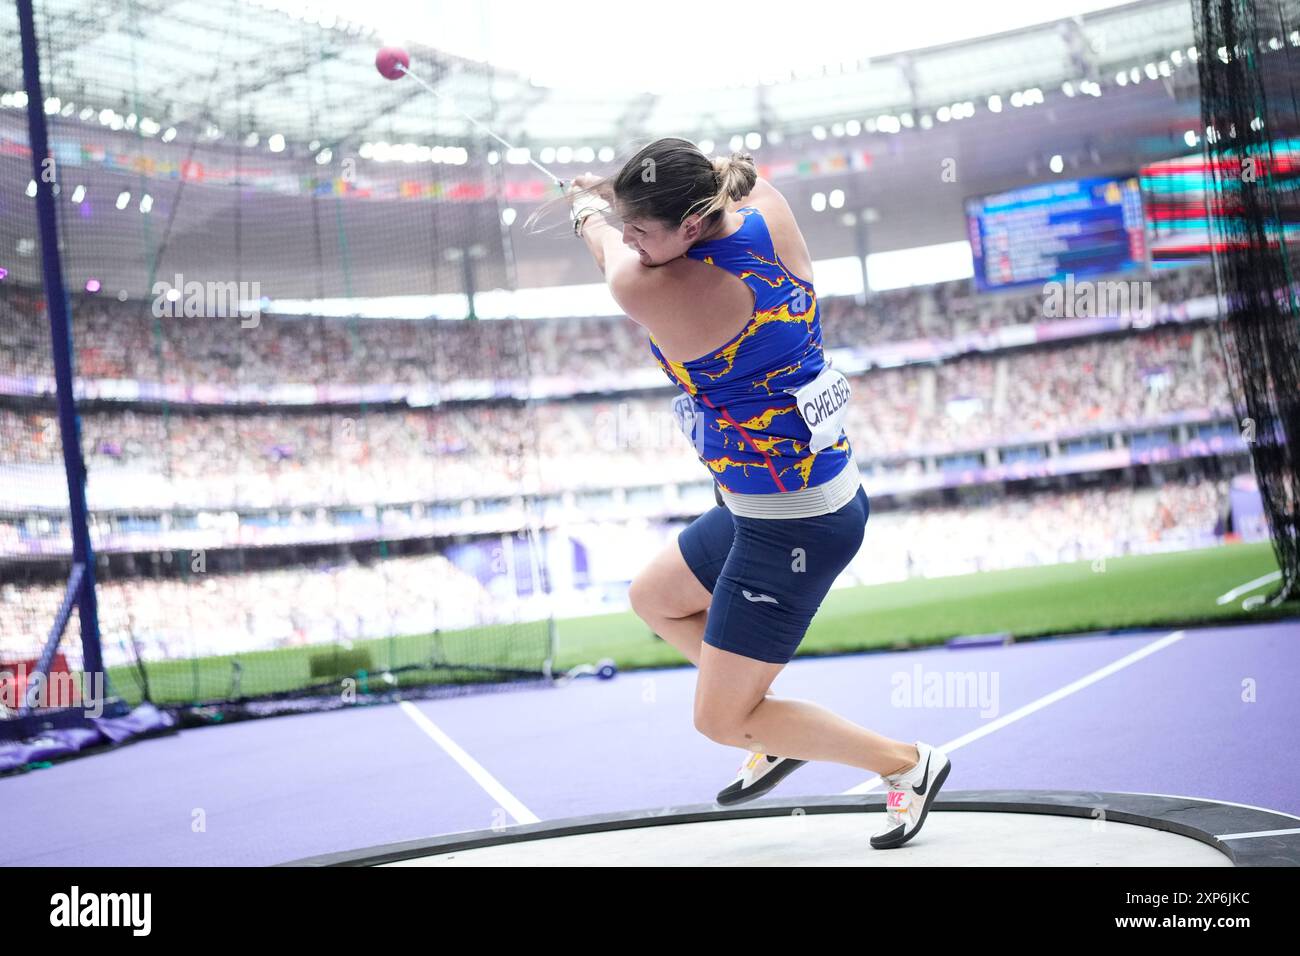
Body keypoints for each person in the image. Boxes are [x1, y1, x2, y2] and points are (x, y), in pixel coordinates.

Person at [561, 138, 950, 849]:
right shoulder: (762, 202)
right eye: (626, 228)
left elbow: (608, 258)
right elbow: (696, 177)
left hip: (794, 525)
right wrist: (619, 193)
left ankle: (908, 764)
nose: (630, 242)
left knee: (715, 721)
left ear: (687, 229)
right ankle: (768, 727)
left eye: (640, 232)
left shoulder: (670, 289)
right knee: (654, 597)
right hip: (770, 502)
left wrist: (588, 212)